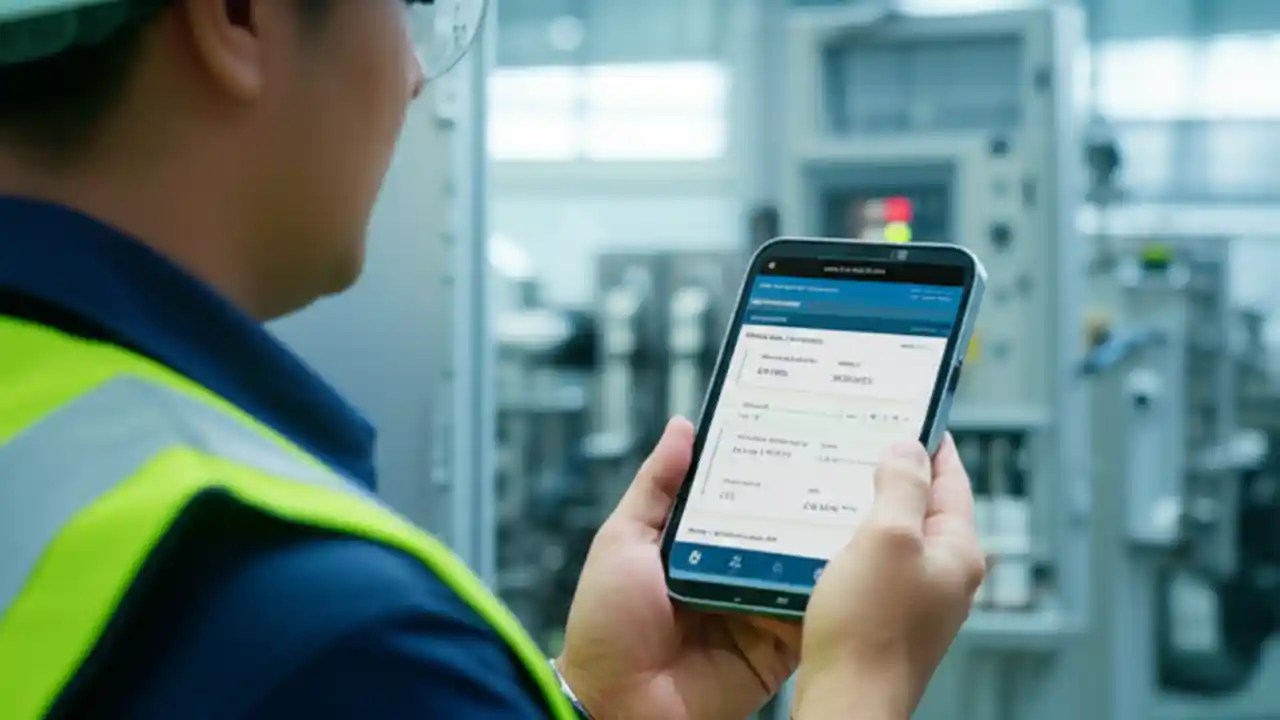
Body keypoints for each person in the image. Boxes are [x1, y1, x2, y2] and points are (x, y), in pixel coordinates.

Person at [0, 1, 987, 718]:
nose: (415, 73)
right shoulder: (323, 627)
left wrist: (592, 702)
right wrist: (861, 680)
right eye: (404, 8)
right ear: (238, 15)